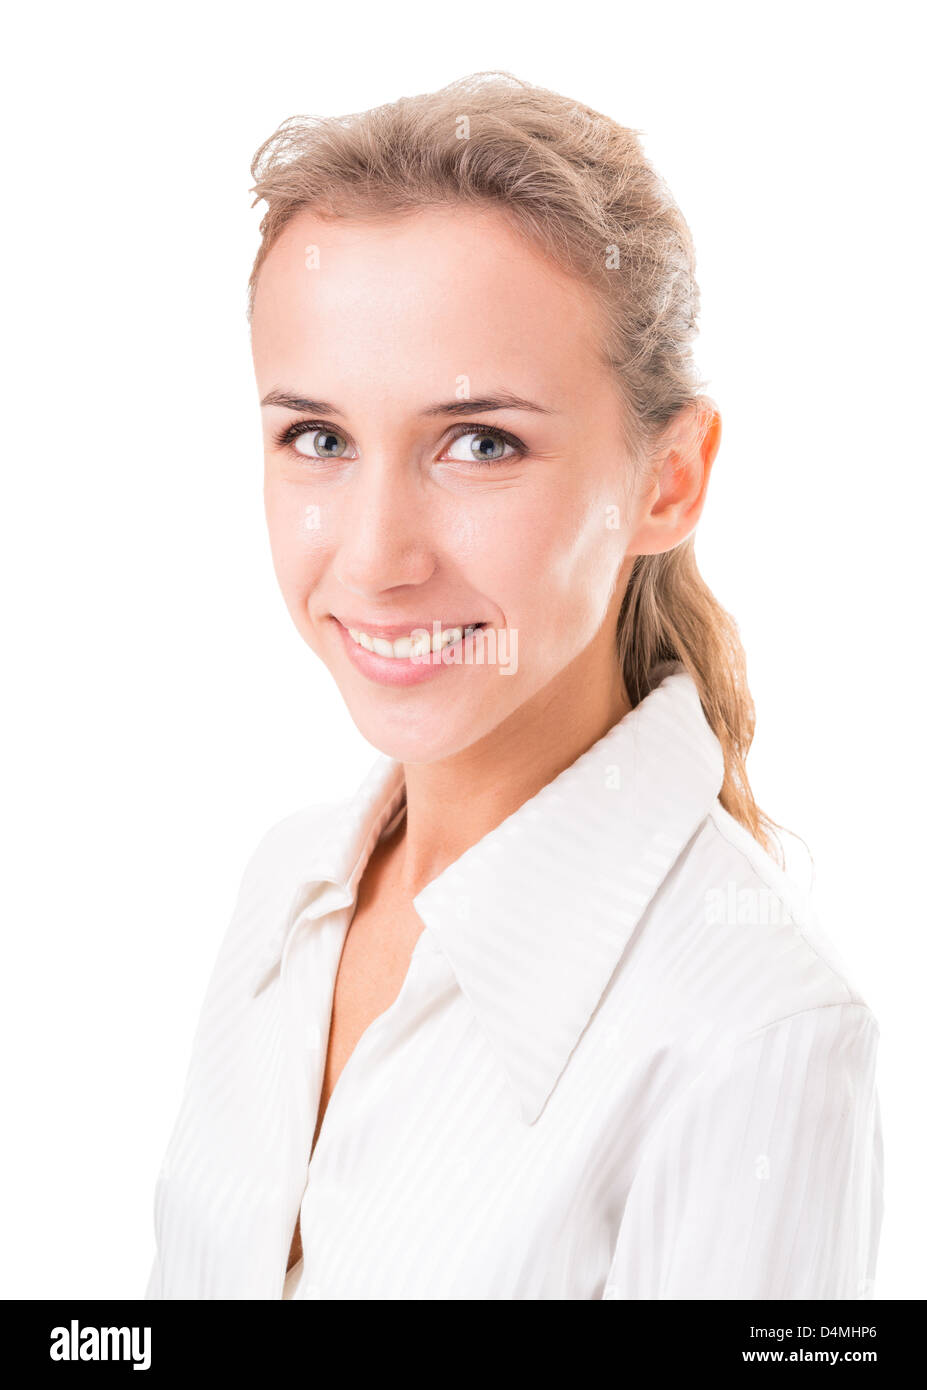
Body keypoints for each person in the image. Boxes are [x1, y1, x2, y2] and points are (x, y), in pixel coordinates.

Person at [144, 72, 882, 1300]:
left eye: (480, 443)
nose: (376, 559)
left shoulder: (761, 1036)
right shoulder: (285, 893)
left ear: (670, 480)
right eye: (317, 438)